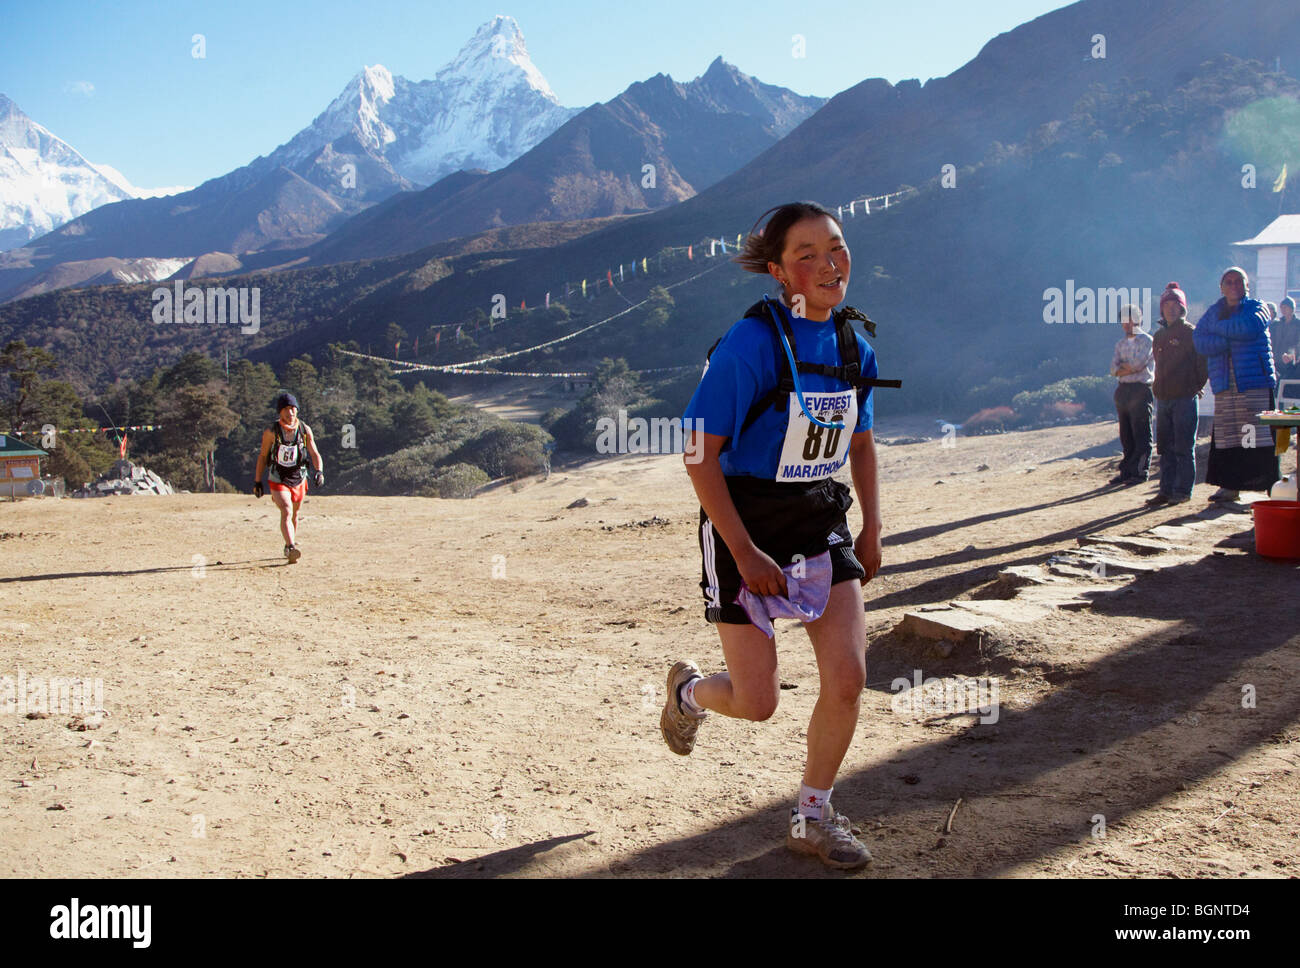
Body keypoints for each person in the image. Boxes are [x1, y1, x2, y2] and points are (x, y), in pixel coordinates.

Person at [661, 201, 892, 870]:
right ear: (777, 271)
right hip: (745, 520)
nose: (828, 264)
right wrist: (743, 550)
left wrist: (873, 527)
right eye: (807, 254)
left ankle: (813, 817)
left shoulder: (856, 347)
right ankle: (688, 694)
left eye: (837, 248)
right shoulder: (751, 344)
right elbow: (700, 454)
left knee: (848, 678)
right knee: (756, 702)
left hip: (820, 521)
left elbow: (863, 444)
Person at [1193, 267, 1279, 502]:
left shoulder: (1257, 308)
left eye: (1238, 281)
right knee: (1228, 435)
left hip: (1253, 382)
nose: (1233, 285)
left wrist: (1219, 330)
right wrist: (1226, 342)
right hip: (1225, 383)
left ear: (1247, 286)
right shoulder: (1214, 312)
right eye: (1228, 282)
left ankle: (1267, 484)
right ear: (1221, 287)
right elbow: (1199, 341)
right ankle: (1230, 486)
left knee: (1255, 434)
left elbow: (1247, 328)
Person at [1147, 283, 1208, 507]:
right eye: (1167, 305)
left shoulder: (1190, 333)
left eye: (1176, 305)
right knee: (1165, 447)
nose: (1171, 309)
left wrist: (1194, 386)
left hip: (1184, 397)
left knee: (1183, 446)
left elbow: (1203, 364)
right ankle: (1165, 490)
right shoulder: (1159, 335)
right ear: (1162, 308)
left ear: (1182, 308)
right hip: (1163, 398)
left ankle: (1182, 490)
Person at [253, 392, 323, 562]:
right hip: (278, 477)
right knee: (286, 510)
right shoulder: (271, 432)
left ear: (297, 410)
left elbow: (314, 453)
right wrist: (257, 481)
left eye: (292, 409)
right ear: (280, 412)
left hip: (298, 476)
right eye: (285, 409)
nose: (290, 413)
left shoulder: (304, 430)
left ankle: (287, 545)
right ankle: (291, 546)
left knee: (294, 514)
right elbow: (263, 456)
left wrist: (319, 471)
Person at [1108, 304, 1155, 485]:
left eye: (1130, 319)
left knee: (1141, 431)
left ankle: (1140, 471)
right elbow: (1113, 369)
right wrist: (1124, 369)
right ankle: (1126, 471)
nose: (1127, 324)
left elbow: (1138, 364)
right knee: (1126, 433)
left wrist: (1123, 368)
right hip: (1123, 390)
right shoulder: (1120, 344)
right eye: (1124, 321)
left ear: (1139, 319)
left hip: (1140, 388)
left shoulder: (1147, 341)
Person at [1272, 296, 1300, 382]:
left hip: (1290, 362)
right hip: (1277, 360)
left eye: (1285, 307)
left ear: (1292, 309)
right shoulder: (1277, 324)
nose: (1283, 310)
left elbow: (1297, 344)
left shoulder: (1297, 324)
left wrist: (1292, 355)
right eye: (1281, 308)